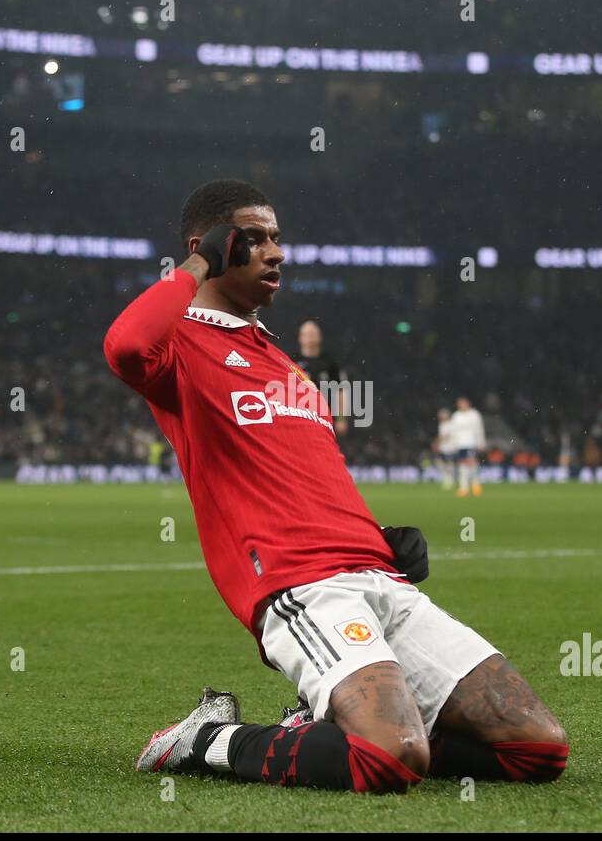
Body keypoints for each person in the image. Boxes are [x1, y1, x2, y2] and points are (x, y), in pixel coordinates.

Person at [104, 179, 567, 793]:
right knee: (391, 759)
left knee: (537, 750)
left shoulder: (280, 360)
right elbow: (125, 344)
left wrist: (380, 537)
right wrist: (197, 263)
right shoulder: (181, 345)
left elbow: (307, 475)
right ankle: (205, 738)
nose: (277, 252)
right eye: (256, 239)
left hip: (380, 576)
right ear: (211, 245)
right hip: (302, 583)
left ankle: (324, 721)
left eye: (278, 238)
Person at [293, 320, 350, 435]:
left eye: (313, 334)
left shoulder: (330, 363)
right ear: (300, 338)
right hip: (300, 418)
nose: (310, 338)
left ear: (319, 337)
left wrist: (341, 418)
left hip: (326, 419)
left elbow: (341, 391)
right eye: (307, 335)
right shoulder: (292, 362)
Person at [450, 396, 486, 497]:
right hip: (460, 444)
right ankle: (464, 488)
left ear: (468, 403)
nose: (462, 405)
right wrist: (452, 444)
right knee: (462, 466)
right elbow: (453, 432)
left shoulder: (474, 414)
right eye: (460, 403)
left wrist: (481, 442)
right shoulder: (456, 416)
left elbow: (479, 429)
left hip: (471, 443)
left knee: (472, 465)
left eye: (463, 403)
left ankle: (476, 485)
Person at [433, 407, 456, 489]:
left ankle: (450, 480)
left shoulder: (451, 424)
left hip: (450, 447)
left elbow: (448, 436)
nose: (441, 416)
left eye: (443, 415)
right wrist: (437, 443)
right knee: (439, 463)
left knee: (449, 464)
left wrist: (438, 442)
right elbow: (441, 436)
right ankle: (447, 479)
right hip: (443, 447)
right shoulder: (441, 425)